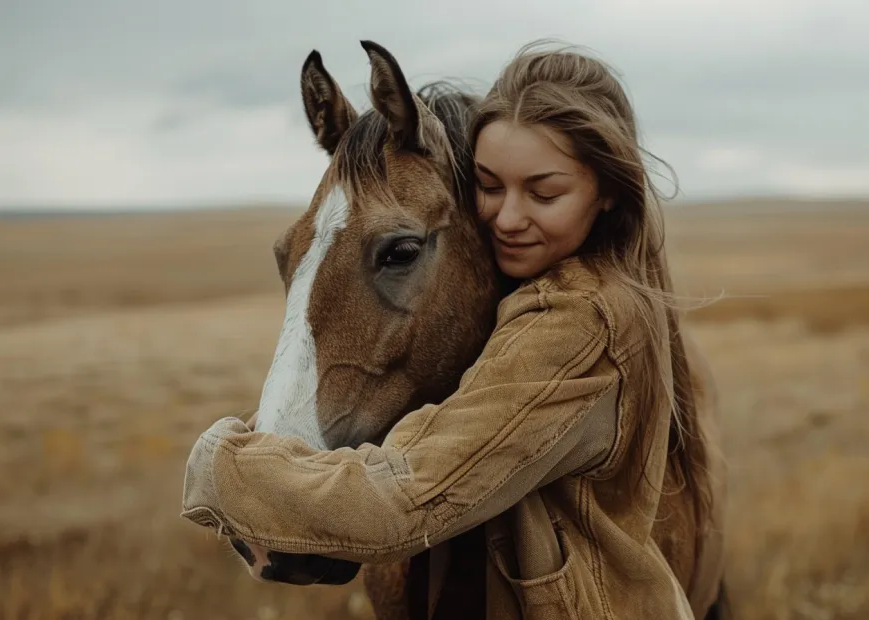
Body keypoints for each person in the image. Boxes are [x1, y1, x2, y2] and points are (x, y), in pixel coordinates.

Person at [181, 41, 725, 620]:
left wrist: (227, 464)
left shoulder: (578, 326)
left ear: (608, 190)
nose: (508, 219)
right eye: (488, 186)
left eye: (544, 192)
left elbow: (408, 499)